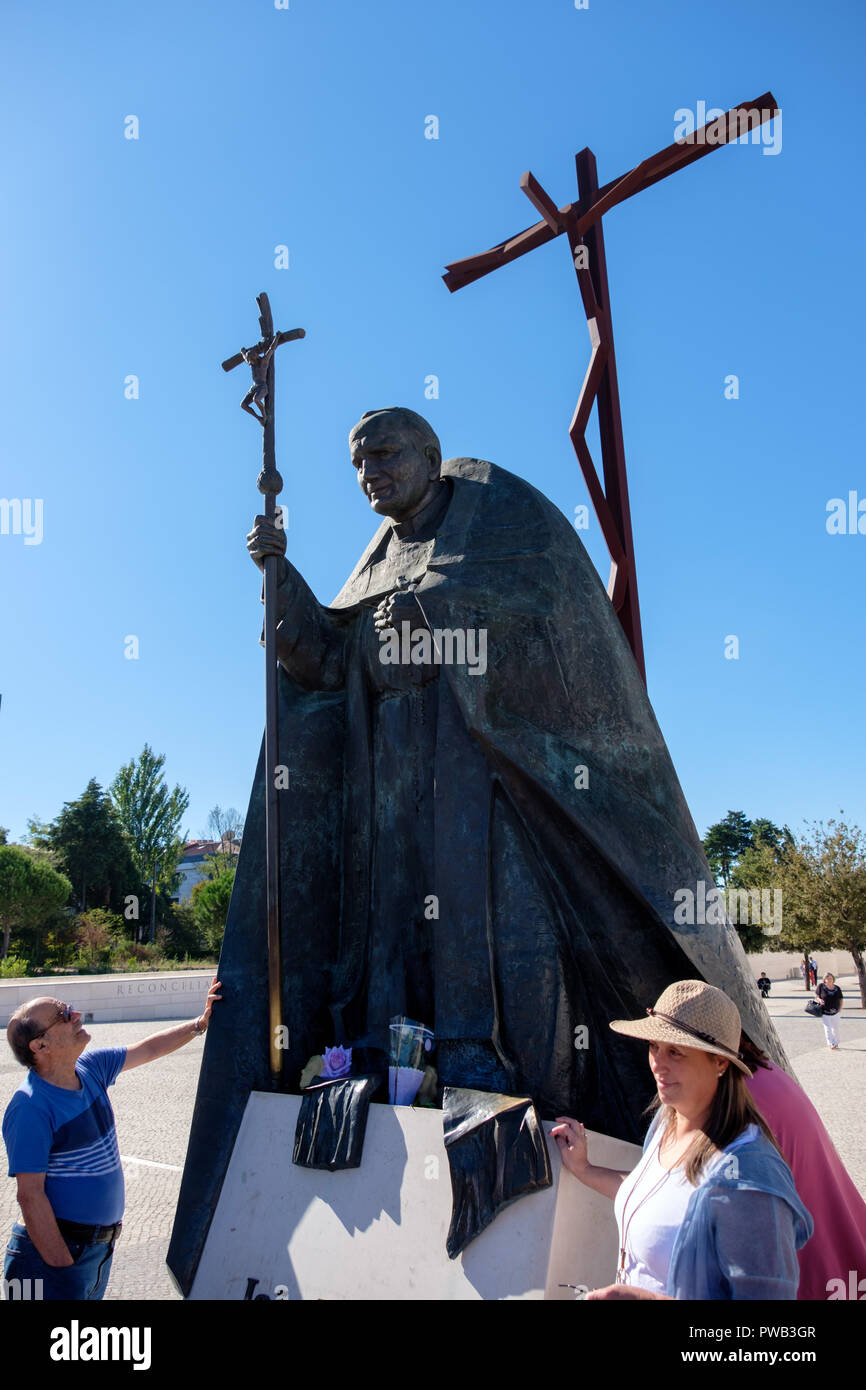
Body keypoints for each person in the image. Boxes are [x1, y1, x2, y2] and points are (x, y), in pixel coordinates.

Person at [168, 408, 787, 1294]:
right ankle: (385, 1065)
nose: (369, 475)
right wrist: (278, 575)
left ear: (427, 454)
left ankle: (475, 1064)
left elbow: (548, 629)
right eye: (356, 465)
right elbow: (320, 655)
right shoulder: (375, 556)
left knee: (488, 928)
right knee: (390, 938)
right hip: (387, 784)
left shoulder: (499, 522)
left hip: (475, 768)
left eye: (383, 455)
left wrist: (439, 615)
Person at [552, 980, 812, 1299]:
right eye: (653, 1047)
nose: (658, 1065)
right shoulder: (667, 1121)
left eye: (675, 1051)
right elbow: (658, 1201)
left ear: (720, 1062)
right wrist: (585, 1169)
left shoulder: (749, 1178)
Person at [3, 979, 221, 1300]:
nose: (76, 1014)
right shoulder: (30, 1106)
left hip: (95, 1252)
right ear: (40, 1046)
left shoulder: (91, 1068)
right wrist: (62, 1265)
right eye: (63, 1014)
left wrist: (200, 1024)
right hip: (50, 1258)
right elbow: (30, 1196)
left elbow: (148, 1049)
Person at [741, 1034, 866, 1300]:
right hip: (838, 1259)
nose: (658, 1062)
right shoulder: (768, 1071)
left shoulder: (740, 1100)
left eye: (676, 1052)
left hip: (804, 1267)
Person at [816, 973, 843, 1050]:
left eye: (831, 978)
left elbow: (841, 999)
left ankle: (836, 1042)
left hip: (835, 1012)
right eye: (827, 978)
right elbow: (816, 995)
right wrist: (819, 1000)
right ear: (824, 979)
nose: (829, 979)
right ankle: (831, 1043)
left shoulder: (837, 988)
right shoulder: (821, 986)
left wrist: (840, 1008)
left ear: (833, 979)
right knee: (827, 1028)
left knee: (836, 1028)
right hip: (825, 1012)